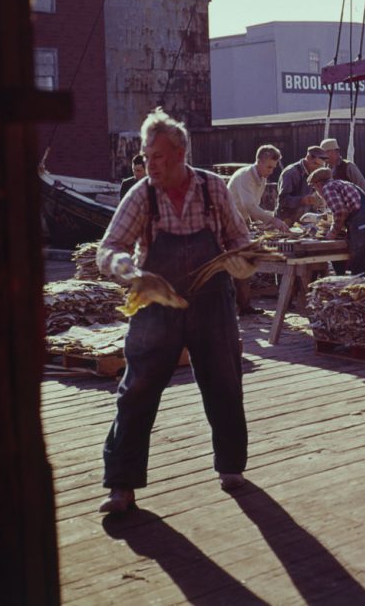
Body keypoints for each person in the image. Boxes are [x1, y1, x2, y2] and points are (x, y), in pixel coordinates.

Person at [96, 108, 257, 514]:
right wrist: (131, 272)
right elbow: (107, 249)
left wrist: (243, 262)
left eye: (157, 157)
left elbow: (241, 240)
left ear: (181, 152)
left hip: (211, 303)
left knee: (224, 381)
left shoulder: (213, 189)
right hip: (156, 303)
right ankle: (121, 485)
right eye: (146, 156)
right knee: (138, 390)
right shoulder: (142, 194)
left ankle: (231, 466)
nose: (149, 165)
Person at [227, 144, 289, 314]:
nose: (271, 171)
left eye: (273, 167)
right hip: (227, 223)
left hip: (242, 221)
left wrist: (264, 223)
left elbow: (253, 208)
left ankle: (244, 305)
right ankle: (239, 306)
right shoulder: (245, 176)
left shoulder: (262, 179)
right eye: (268, 166)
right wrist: (272, 220)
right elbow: (249, 205)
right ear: (258, 161)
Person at [307, 167, 365, 277]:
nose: (316, 192)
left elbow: (341, 212)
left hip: (362, 228)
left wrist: (332, 233)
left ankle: (361, 293)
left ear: (318, 185)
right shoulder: (345, 184)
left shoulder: (327, 188)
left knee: (361, 274)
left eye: (314, 188)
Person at [274, 145, 328, 226]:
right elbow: (282, 200)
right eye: (315, 164)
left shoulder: (315, 173)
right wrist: (302, 200)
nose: (317, 168)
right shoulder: (290, 173)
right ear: (308, 158)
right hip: (285, 222)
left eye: (320, 166)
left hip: (304, 222)